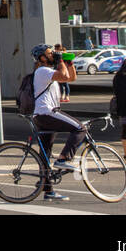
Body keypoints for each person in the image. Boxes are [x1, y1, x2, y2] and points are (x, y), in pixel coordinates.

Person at [29, 42, 83, 202]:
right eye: (50, 53)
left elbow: (71, 78)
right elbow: (64, 76)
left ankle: (48, 190)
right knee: (80, 129)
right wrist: (60, 62)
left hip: (43, 114)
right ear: (42, 57)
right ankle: (64, 159)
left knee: (44, 153)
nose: (53, 54)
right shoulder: (42, 71)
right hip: (47, 113)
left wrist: (69, 62)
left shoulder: (49, 71)